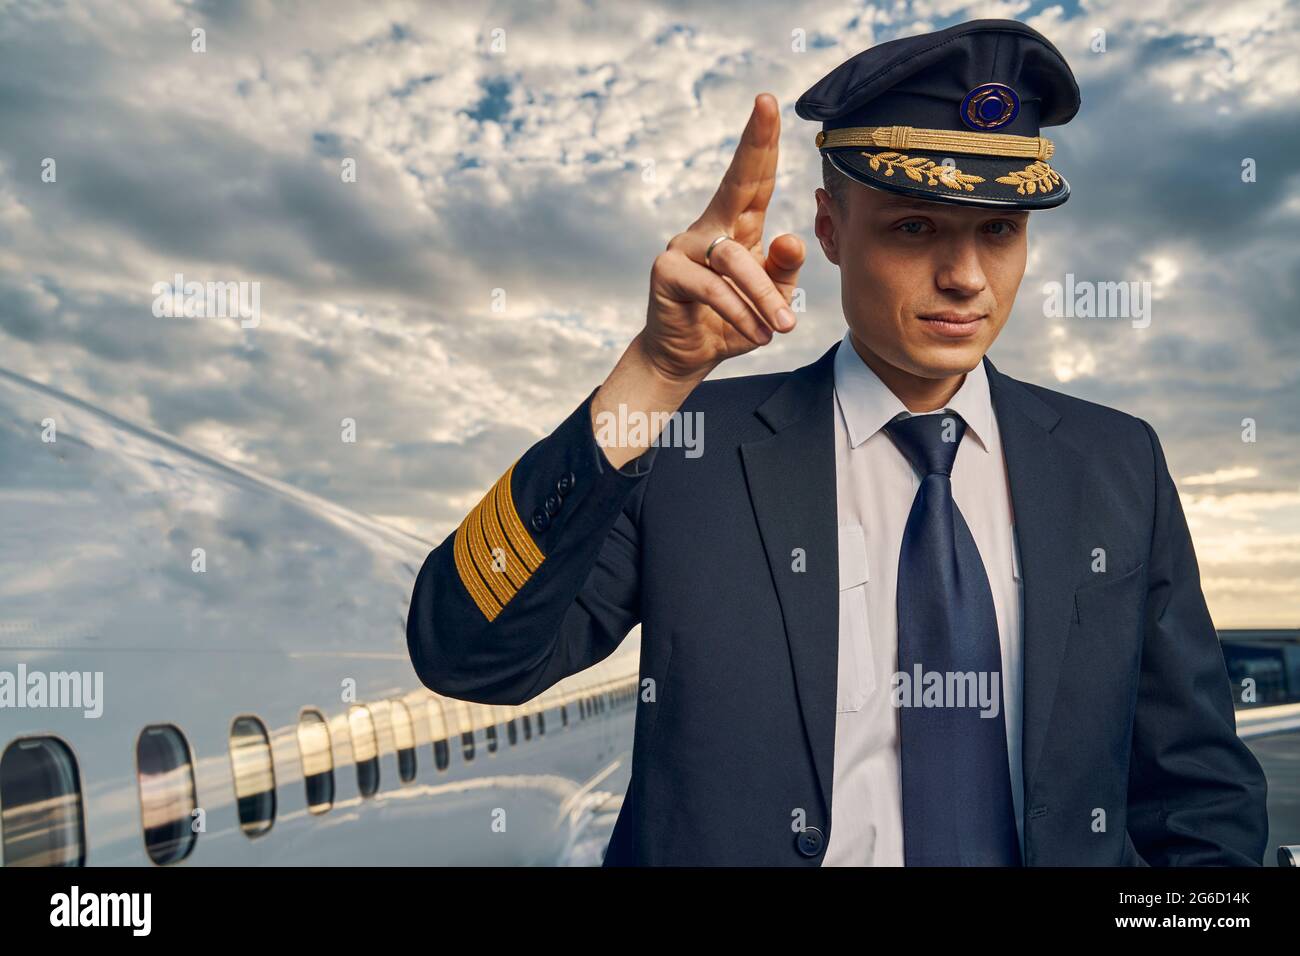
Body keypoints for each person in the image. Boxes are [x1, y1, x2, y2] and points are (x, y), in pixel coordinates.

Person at [406, 18, 1268, 865]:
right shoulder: (683, 447)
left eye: (1000, 230)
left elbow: (1194, 788)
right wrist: (655, 374)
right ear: (828, 230)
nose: (966, 276)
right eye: (914, 227)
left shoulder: (1117, 462)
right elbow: (471, 657)